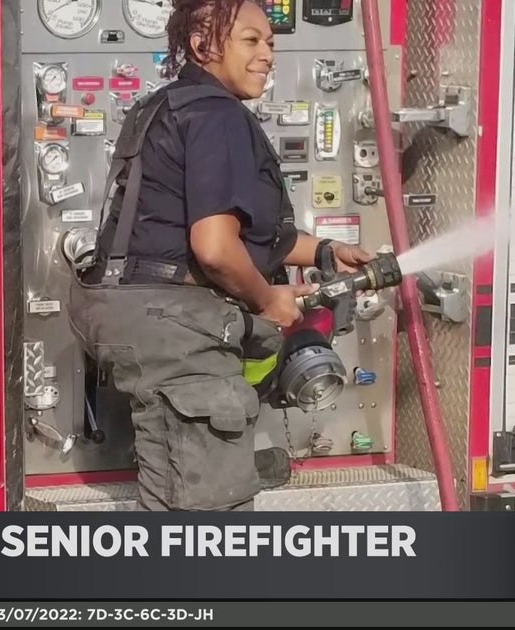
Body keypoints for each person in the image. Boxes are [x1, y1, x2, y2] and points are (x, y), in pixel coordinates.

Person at [68, 0, 376, 512]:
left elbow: (233, 232)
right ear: (203, 45)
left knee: (175, 503)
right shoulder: (218, 116)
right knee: (210, 519)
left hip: (129, 308)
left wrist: (325, 249)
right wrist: (268, 299)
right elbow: (213, 248)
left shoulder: (164, 106)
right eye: (251, 41)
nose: (267, 55)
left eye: (271, 43)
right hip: (177, 325)